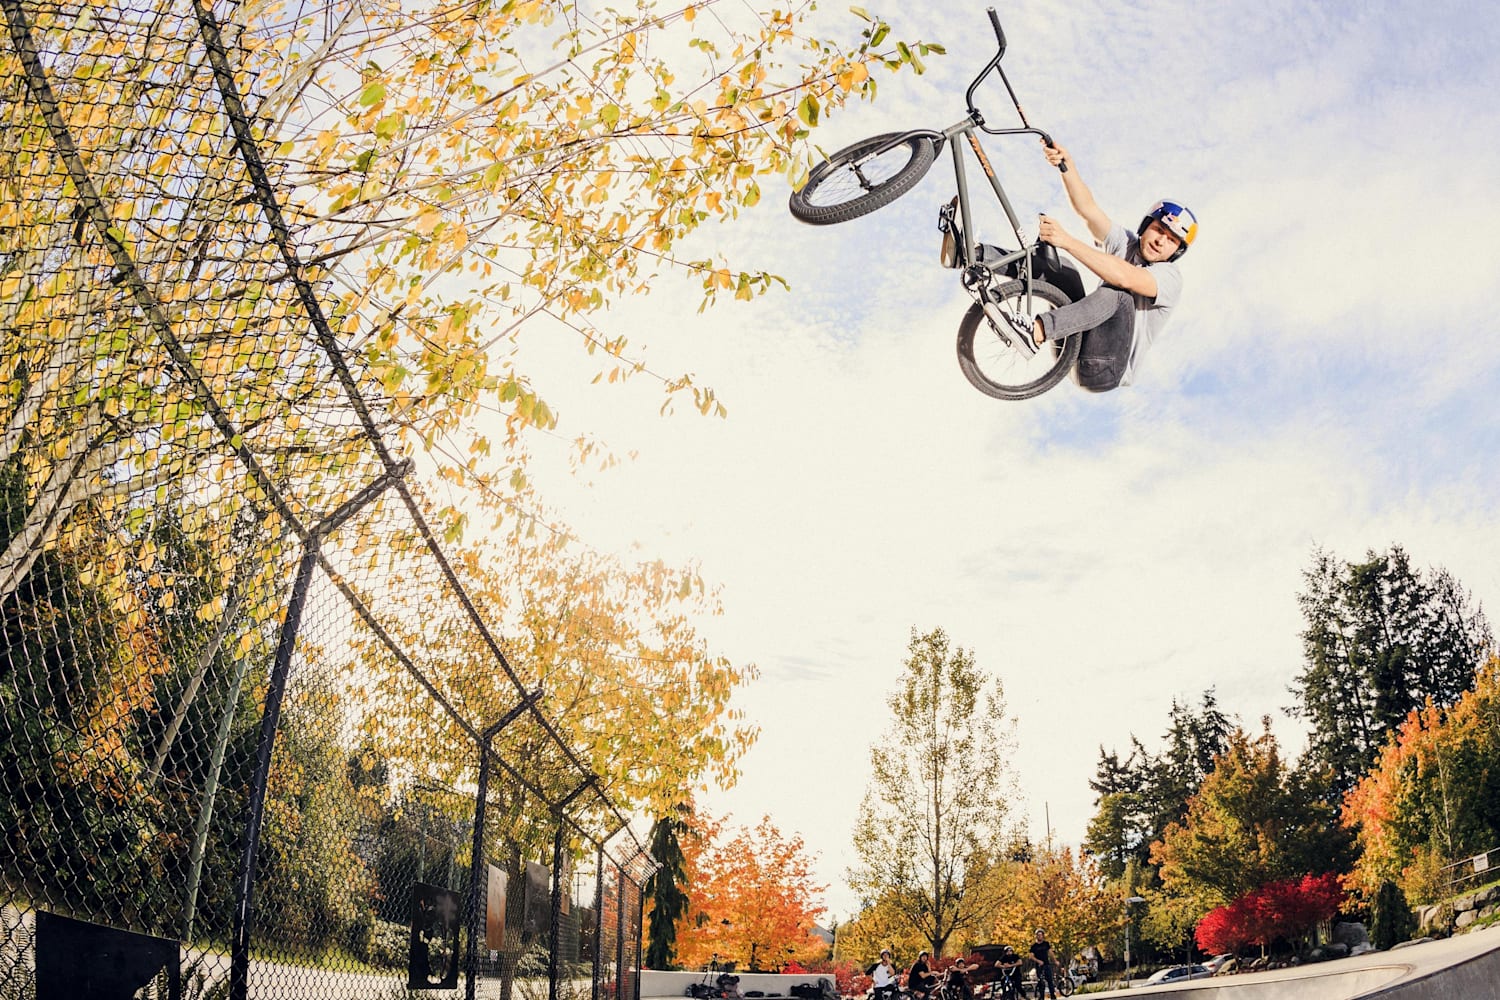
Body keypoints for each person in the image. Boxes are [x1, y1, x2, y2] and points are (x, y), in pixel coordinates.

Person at [1025, 140, 1198, 392]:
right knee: (1065, 270)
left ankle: (1036, 330)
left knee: (1119, 296)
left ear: (1177, 251)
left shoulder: (1170, 277)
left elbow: (1125, 278)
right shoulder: (1126, 242)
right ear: (1145, 227)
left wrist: (1066, 240)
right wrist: (1067, 166)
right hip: (1070, 350)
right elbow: (1088, 211)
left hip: (1105, 368)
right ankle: (979, 260)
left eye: (1172, 240)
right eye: (1159, 230)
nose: (1161, 241)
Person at [1028, 929, 1058, 1000]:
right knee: (1041, 981)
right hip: (1039, 966)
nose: (1039, 936)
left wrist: (1055, 961)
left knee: (1050, 980)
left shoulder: (1046, 944)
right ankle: (1041, 996)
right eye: (1038, 935)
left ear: (1043, 936)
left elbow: (1051, 953)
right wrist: (1038, 961)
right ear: (1036, 936)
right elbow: (1031, 956)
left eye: (1041, 935)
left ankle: (1052, 995)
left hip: (1047, 964)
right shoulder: (1034, 946)